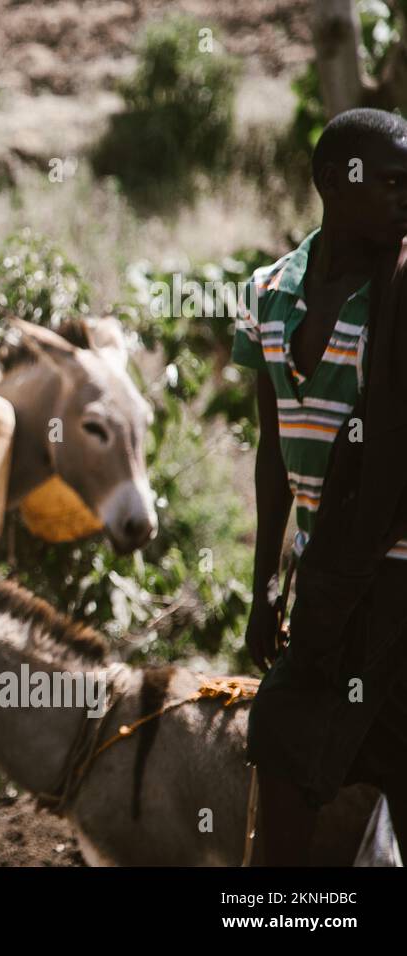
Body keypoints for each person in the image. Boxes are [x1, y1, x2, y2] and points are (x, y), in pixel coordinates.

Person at [233, 108, 407, 865]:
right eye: (396, 180)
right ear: (340, 180)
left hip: (389, 580)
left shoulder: (397, 293)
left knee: (289, 736)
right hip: (326, 578)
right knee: (281, 748)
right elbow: (273, 449)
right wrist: (264, 578)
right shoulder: (270, 293)